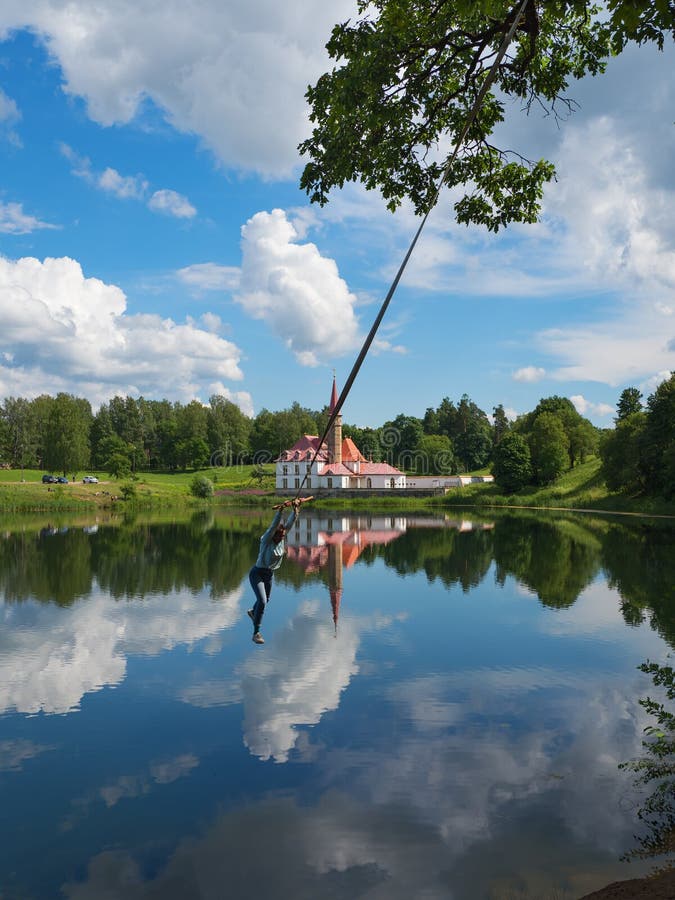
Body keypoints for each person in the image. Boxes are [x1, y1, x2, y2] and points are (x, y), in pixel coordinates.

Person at [247, 498, 301, 644]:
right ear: (274, 535)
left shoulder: (281, 538)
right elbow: (273, 527)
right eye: (278, 536)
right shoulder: (266, 540)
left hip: (268, 574)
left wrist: (295, 508)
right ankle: (256, 633)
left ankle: (253, 612)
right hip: (257, 573)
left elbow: (289, 524)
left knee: (265, 600)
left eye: (282, 536)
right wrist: (280, 511)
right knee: (263, 601)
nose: (281, 538)